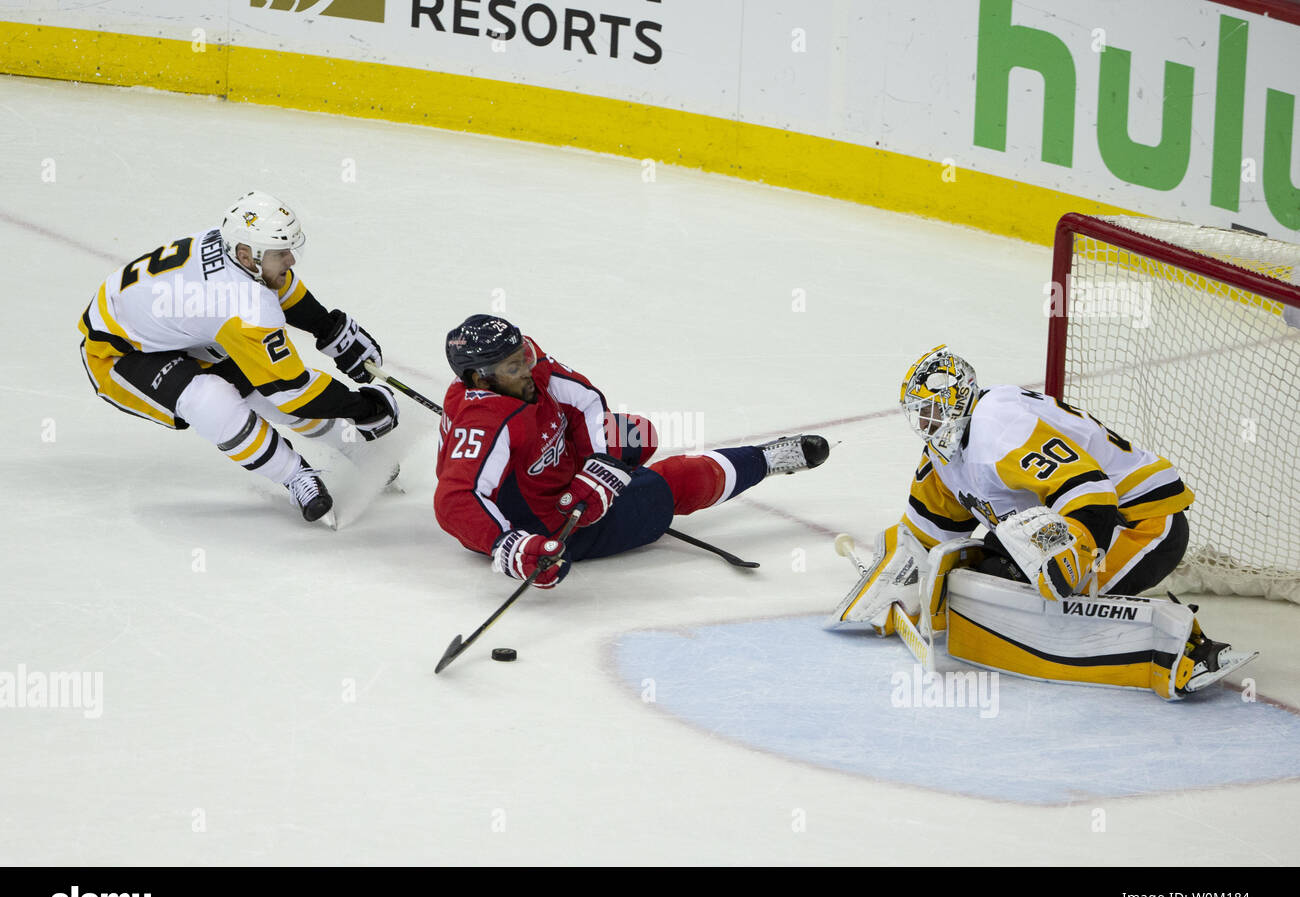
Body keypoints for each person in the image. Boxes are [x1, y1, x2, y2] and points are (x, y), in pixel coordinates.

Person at [827, 344, 1256, 699]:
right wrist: (899, 583)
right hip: (1069, 520)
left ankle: (1187, 647)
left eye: (934, 411)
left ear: (959, 399)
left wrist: (1075, 555)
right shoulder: (942, 456)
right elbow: (925, 537)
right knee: (986, 581)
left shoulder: (1001, 425)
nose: (927, 423)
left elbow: (1091, 494)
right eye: (920, 414)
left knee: (1067, 604)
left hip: (1140, 521)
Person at [434, 314, 830, 586]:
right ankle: (766, 459)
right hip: (543, 517)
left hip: (550, 461)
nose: (528, 368)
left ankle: (600, 469)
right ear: (479, 380)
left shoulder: (521, 367)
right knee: (661, 490)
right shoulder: (486, 421)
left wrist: (599, 464)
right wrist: (509, 545)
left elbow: (585, 400)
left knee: (640, 435)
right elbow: (455, 499)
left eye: (525, 355)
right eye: (514, 367)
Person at [77, 190, 399, 523]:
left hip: (176, 331)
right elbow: (294, 393)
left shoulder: (236, 247)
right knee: (212, 400)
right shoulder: (242, 307)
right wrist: (364, 407)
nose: (290, 260)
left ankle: (355, 449)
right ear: (247, 256)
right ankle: (295, 475)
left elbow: (278, 285)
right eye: (281, 253)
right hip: (119, 353)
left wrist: (329, 330)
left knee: (259, 384)